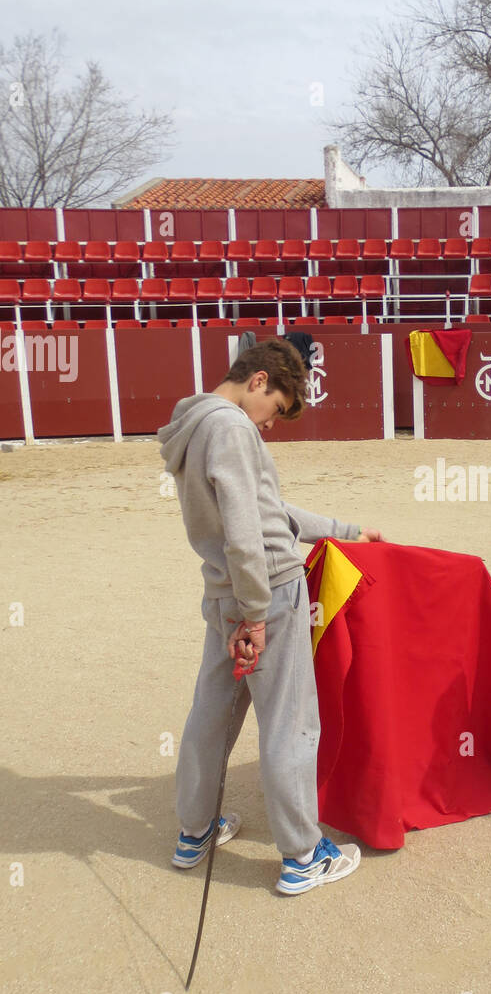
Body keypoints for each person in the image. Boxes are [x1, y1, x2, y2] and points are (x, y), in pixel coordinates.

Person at [157, 339, 382, 895]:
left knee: (212, 712)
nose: (272, 424)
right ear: (258, 381)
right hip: (267, 597)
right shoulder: (232, 428)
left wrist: (344, 530)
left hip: (223, 597)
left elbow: (268, 511)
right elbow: (246, 531)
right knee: (290, 721)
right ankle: (302, 856)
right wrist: (257, 615)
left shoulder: (193, 422)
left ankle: (195, 830)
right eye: (277, 408)